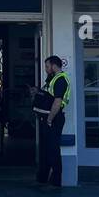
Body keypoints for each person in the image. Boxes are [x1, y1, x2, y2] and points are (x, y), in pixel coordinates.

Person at [31, 55, 70, 188]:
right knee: (46, 149)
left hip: (54, 118)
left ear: (54, 66)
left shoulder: (60, 80)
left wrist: (49, 119)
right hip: (48, 118)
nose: (46, 69)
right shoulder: (52, 79)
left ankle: (56, 180)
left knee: (53, 149)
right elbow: (48, 95)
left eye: (47, 66)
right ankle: (43, 176)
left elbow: (57, 102)